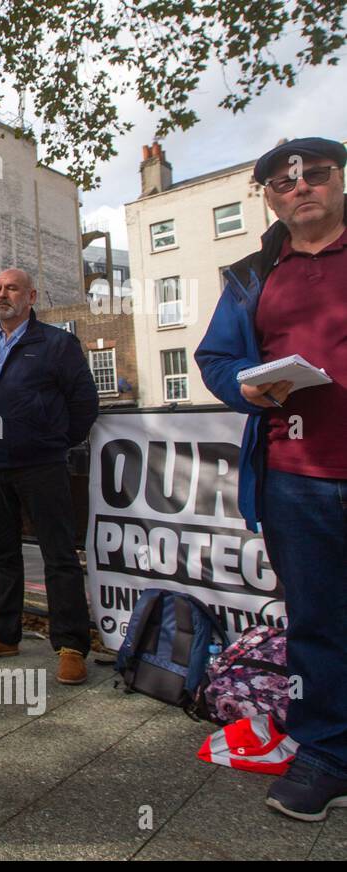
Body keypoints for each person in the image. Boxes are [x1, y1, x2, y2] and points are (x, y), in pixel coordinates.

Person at [195, 136, 347, 823]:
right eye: (285, 183)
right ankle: (326, 755)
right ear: (269, 197)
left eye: (314, 175)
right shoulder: (251, 274)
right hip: (295, 477)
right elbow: (216, 356)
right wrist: (246, 388)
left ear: (338, 180)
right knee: (316, 623)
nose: (301, 188)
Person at [0, 268, 99, 684]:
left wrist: (52, 440)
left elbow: (83, 404)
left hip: (42, 464)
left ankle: (71, 645)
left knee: (58, 554)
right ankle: (3, 633)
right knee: (0, 552)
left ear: (31, 296)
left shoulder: (57, 344)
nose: (2, 295)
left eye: (12, 288)